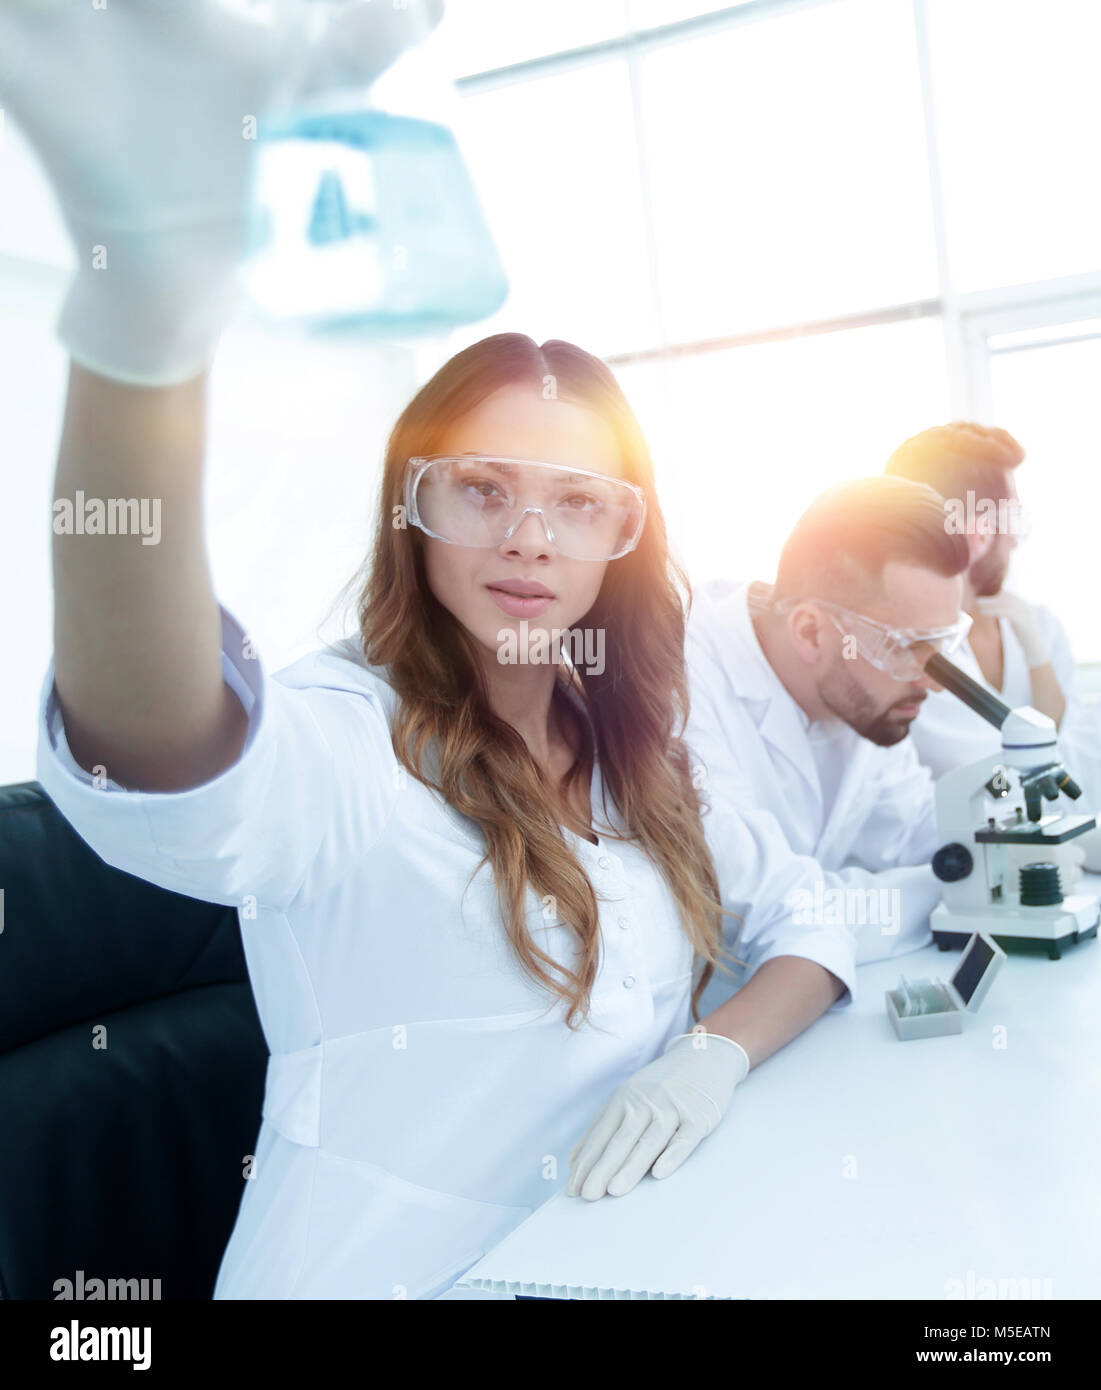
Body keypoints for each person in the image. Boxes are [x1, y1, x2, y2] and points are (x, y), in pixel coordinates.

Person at [10, 4, 859, 1300]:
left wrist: (717, 1051)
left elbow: (808, 918)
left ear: (621, 540)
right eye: (482, 488)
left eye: (579, 501)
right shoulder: (350, 745)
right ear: (411, 506)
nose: (528, 535)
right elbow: (153, 734)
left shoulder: (633, 761)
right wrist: (145, 329)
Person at [684, 476, 974, 963]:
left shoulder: (862, 692)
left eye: (942, 646)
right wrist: (957, 880)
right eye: (909, 648)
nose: (935, 682)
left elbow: (913, 828)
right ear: (811, 631)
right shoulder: (680, 678)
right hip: (714, 1014)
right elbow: (771, 911)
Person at [884, 421, 1101, 870]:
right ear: (975, 531)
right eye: (1010, 521)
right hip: (963, 870)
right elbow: (1001, 780)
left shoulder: (1033, 624)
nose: (1016, 540)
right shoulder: (909, 656)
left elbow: (1062, 752)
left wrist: (1037, 656)